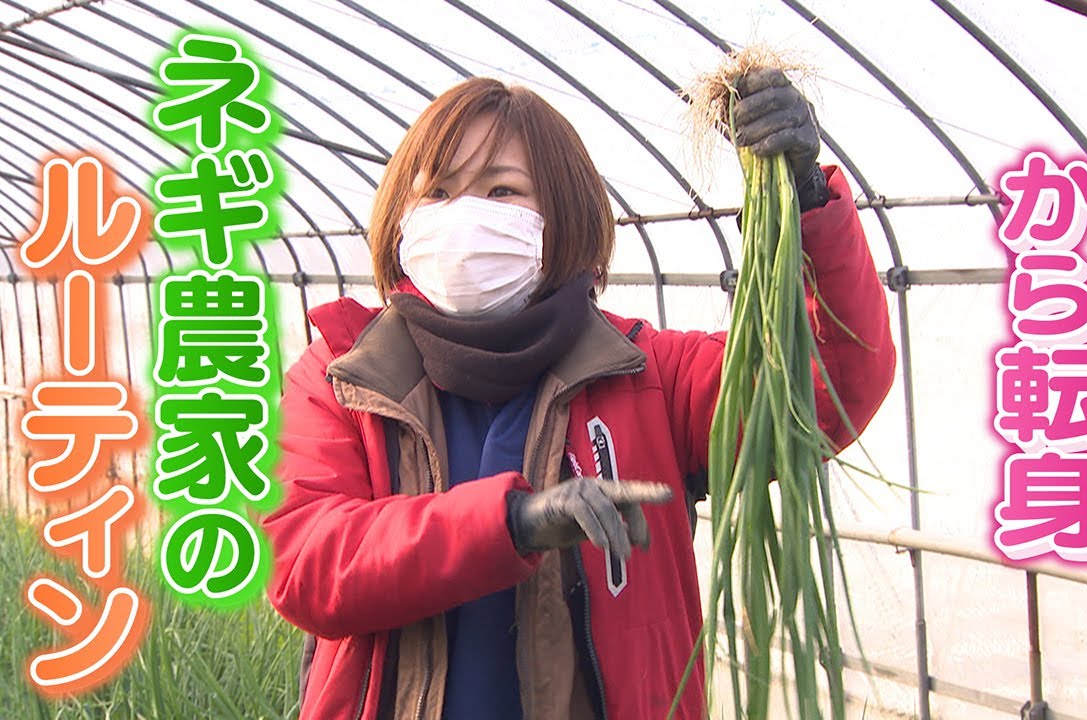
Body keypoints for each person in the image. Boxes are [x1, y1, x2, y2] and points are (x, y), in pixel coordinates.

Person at [264, 72, 896, 720]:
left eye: (501, 188)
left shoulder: (647, 375)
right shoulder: (346, 376)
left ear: (561, 212)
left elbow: (823, 387)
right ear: (401, 218)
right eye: (438, 193)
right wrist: (512, 522)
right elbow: (303, 561)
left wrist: (805, 199)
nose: (463, 216)